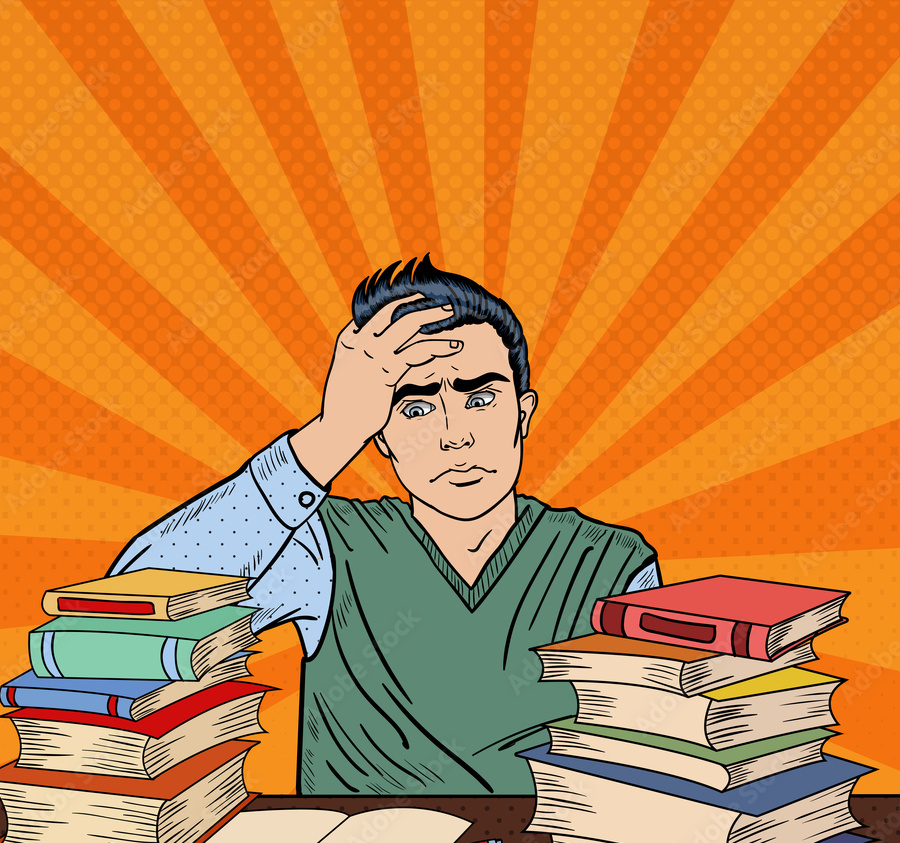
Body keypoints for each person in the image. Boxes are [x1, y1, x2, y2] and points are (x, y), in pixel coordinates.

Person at [108, 256, 662, 794]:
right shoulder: (321, 545)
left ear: (522, 412)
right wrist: (328, 436)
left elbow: (659, 758)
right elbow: (132, 605)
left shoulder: (612, 563)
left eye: (481, 398)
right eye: (415, 409)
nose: (454, 436)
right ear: (379, 435)